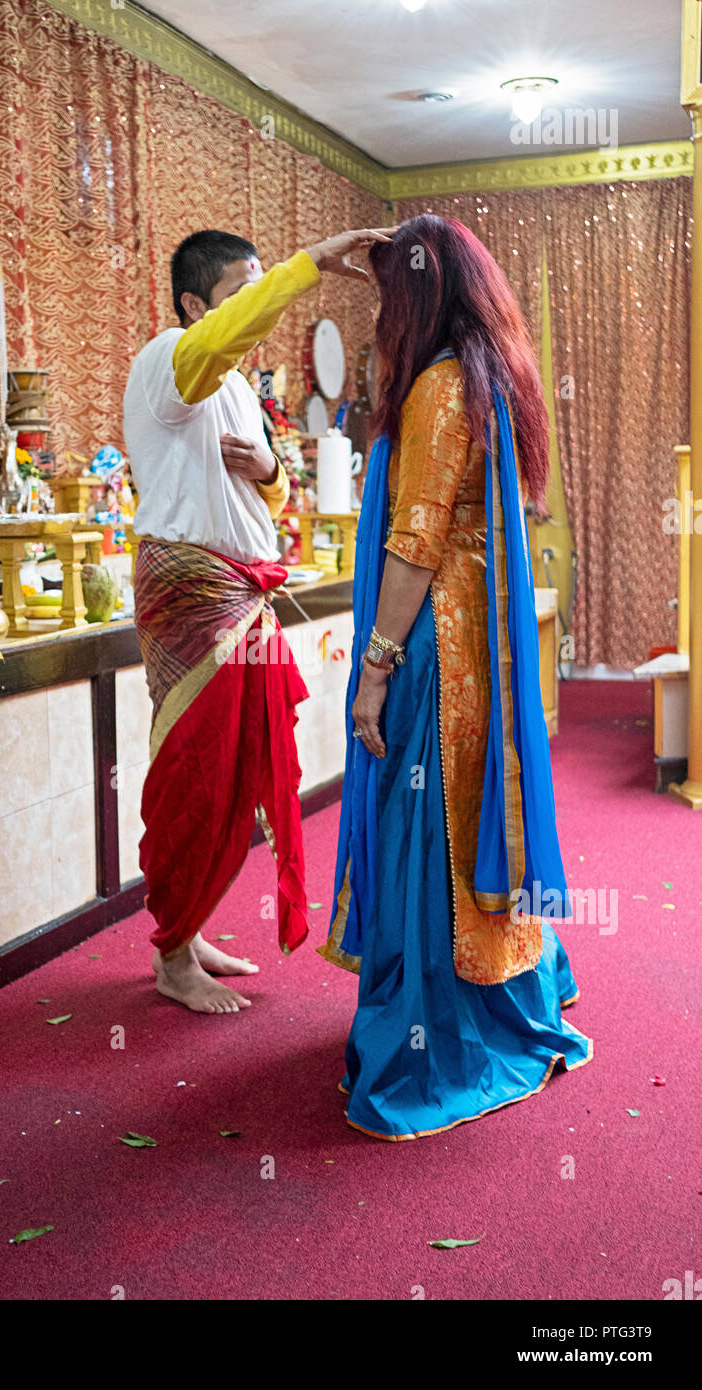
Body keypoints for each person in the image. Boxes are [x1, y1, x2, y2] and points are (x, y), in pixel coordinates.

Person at [321, 215, 593, 1137]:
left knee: (423, 813)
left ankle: (437, 1033)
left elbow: (413, 542)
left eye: (392, 300)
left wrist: (373, 667)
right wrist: (383, 257)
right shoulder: (493, 375)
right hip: (483, 634)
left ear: (422, 301)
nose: (383, 323)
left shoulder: (441, 388)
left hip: (435, 637)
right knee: (469, 805)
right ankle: (503, 988)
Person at [124, 225, 395, 1015]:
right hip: (193, 590)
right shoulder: (170, 358)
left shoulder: (236, 385)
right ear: (193, 303)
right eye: (242, 292)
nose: (257, 312)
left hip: (243, 591)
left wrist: (272, 468)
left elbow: (267, 493)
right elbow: (225, 336)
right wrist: (308, 266)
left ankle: (190, 928)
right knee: (195, 772)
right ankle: (173, 955)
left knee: (237, 774)